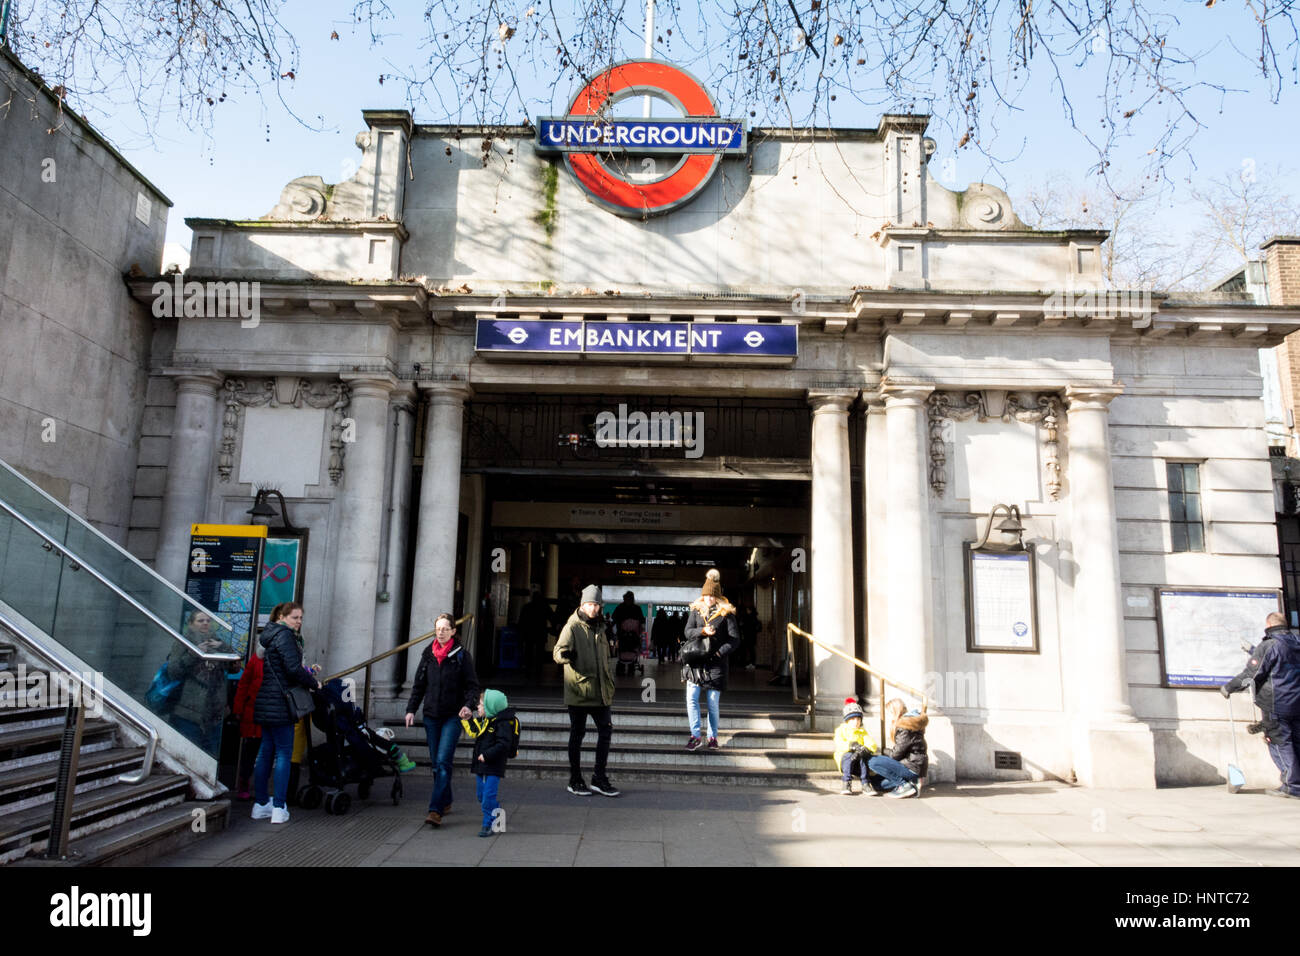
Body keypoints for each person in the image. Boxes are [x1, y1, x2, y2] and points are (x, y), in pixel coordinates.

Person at [405, 612, 480, 826]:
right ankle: (446, 799)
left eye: (445, 629)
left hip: (452, 716)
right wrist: (411, 709)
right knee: (437, 765)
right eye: (438, 628)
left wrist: (468, 706)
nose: (441, 632)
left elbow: (472, 686)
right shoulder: (428, 654)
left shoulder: (462, 656)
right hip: (431, 716)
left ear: (454, 632)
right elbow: (419, 685)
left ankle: (435, 810)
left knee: (443, 762)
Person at [251, 602, 319, 824]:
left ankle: (261, 803)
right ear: (282, 617)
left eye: (300, 618)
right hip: (282, 702)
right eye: (295, 618)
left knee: (265, 753)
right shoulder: (285, 636)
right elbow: (292, 668)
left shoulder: (269, 635)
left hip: (266, 699)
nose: (299, 622)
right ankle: (279, 807)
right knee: (283, 754)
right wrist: (313, 682)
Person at [1223, 612, 1300, 798]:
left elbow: (1251, 674)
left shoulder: (1269, 645)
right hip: (1297, 702)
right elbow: (1281, 662)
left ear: (1268, 625)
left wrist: (1229, 687)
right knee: (1296, 742)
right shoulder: (1296, 642)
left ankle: (1293, 785)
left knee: (1280, 742)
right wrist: (1253, 650)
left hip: (1276, 703)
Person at [554, 584, 620, 797]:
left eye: (596, 605)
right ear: (582, 605)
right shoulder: (572, 626)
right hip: (580, 691)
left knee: (606, 732)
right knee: (578, 734)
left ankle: (599, 778)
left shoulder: (601, 627)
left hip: (601, 692)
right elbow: (557, 652)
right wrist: (566, 656)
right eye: (590, 604)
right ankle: (575, 779)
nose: (593, 609)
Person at [682, 569, 741, 751]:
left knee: (712, 703)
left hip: (716, 665)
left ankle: (713, 737)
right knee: (691, 698)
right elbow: (687, 632)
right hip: (696, 663)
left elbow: (735, 639)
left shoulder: (726, 614)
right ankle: (695, 736)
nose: (708, 598)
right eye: (706, 595)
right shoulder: (696, 611)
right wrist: (702, 631)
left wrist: (719, 653)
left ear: (717, 596)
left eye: (712, 595)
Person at [166, 610, 237, 754]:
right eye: (200, 620)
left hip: (215, 712)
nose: (205, 623)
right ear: (191, 624)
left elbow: (235, 668)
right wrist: (194, 654)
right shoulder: (183, 642)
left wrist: (222, 647)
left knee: (211, 754)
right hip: (188, 711)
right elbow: (173, 671)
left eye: (208, 620)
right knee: (190, 753)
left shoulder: (216, 641)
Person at [460, 689, 520, 837]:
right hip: (481, 765)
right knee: (481, 795)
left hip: (493, 765)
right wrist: (467, 719)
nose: (477, 707)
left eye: (480, 705)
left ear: (490, 707)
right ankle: (497, 811)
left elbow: (503, 744)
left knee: (487, 798)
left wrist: (487, 755)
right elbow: (474, 731)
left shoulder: (503, 724)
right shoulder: (486, 720)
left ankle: (489, 823)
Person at [869, 698, 929, 798]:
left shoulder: (905, 728)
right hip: (913, 766)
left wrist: (882, 751)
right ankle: (911, 783)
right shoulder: (910, 724)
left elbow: (895, 755)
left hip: (912, 767)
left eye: (890, 713)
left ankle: (904, 785)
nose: (889, 716)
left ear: (895, 712)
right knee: (876, 784)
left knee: (873, 761)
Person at [833, 698, 879, 795]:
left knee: (862, 756)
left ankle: (865, 784)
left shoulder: (862, 732)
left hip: (858, 763)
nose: (856, 722)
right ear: (847, 720)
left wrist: (864, 749)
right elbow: (839, 743)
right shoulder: (841, 730)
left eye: (858, 719)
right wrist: (851, 745)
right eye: (853, 719)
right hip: (845, 760)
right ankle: (846, 782)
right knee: (848, 755)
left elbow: (871, 743)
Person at [517, 588, 550, 680]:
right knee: (539, 654)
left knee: (528, 652)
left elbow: (521, 622)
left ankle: (528, 671)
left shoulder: (527, 607)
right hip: (540, 633)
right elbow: (552, 617)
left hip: (529, 634)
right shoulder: (544, 606)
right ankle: (538, 672)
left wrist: (521, 635)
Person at [612, 590, 645, 676]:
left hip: (622, 634)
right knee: (632, 649)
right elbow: (642, 620)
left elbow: (614, 618)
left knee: (623, 650)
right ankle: (631, 667)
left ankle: (621, 667)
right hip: (634, 635)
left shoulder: (620, 607)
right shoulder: (637, 608)